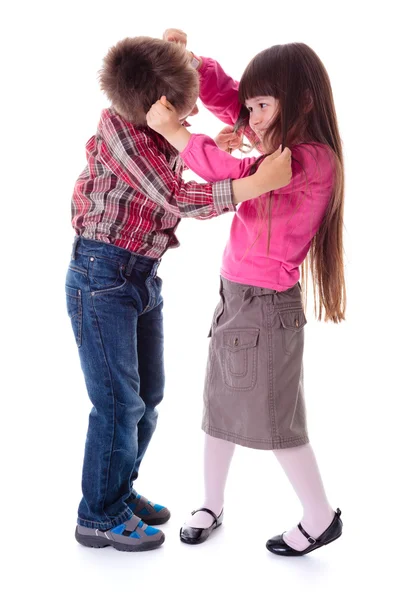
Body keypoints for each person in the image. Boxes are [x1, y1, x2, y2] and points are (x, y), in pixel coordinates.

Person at [66, 35, 292, 552]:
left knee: (147, 397)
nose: (187, 124)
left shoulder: (147, 111)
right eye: (183, 115)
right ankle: (97, 514)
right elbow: (177, 194)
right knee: (117, 404)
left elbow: (171, 121)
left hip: (140, 275)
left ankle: (117, 489)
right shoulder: (123, 135)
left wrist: (177, 57)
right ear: (160, 107)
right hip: (102, 278)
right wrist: (253, 185)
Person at [146, 29, 346, 556]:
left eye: (263, 105)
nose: (251, 118)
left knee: (277, 423)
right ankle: (211, 503)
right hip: (237, 297)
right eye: (252, 107)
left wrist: (177, 135)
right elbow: (229, 96)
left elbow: (232, 174)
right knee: (219, 409)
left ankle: (321, 515)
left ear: (301, 101)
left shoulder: (303, 160)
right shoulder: (282, 142)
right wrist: (194, 63)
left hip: (264, 309)